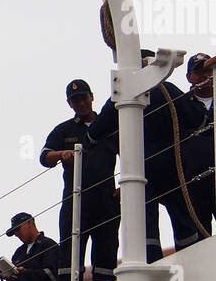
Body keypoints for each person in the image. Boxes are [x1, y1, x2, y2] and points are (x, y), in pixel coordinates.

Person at [89, 50, 207, 261]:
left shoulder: (122, 93)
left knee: (146, 221)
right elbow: (196, 119)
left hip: (139, 169)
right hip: (172, 165)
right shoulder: (168, 90)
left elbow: (95, 133)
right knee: (182, 216)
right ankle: (190, 262)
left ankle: (151, 265)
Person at [39, 79, 119, 281]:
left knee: (107, 248)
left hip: (106, 198)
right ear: (69, 104)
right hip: (76, 200)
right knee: (71, 253)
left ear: (92, 97)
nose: (81, 103)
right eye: (76, 100)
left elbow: (130, 153)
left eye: (84, 98)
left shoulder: (109, 125)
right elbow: (44, 157)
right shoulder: (64, 129)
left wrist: (124, 186)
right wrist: (61, 153)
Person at [180, 53, 216, 236]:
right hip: (194, 180)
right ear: (189, 77)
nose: (204, 75)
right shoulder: (180, 105)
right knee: (201, 235)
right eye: (199, 71)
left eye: (208, 70)